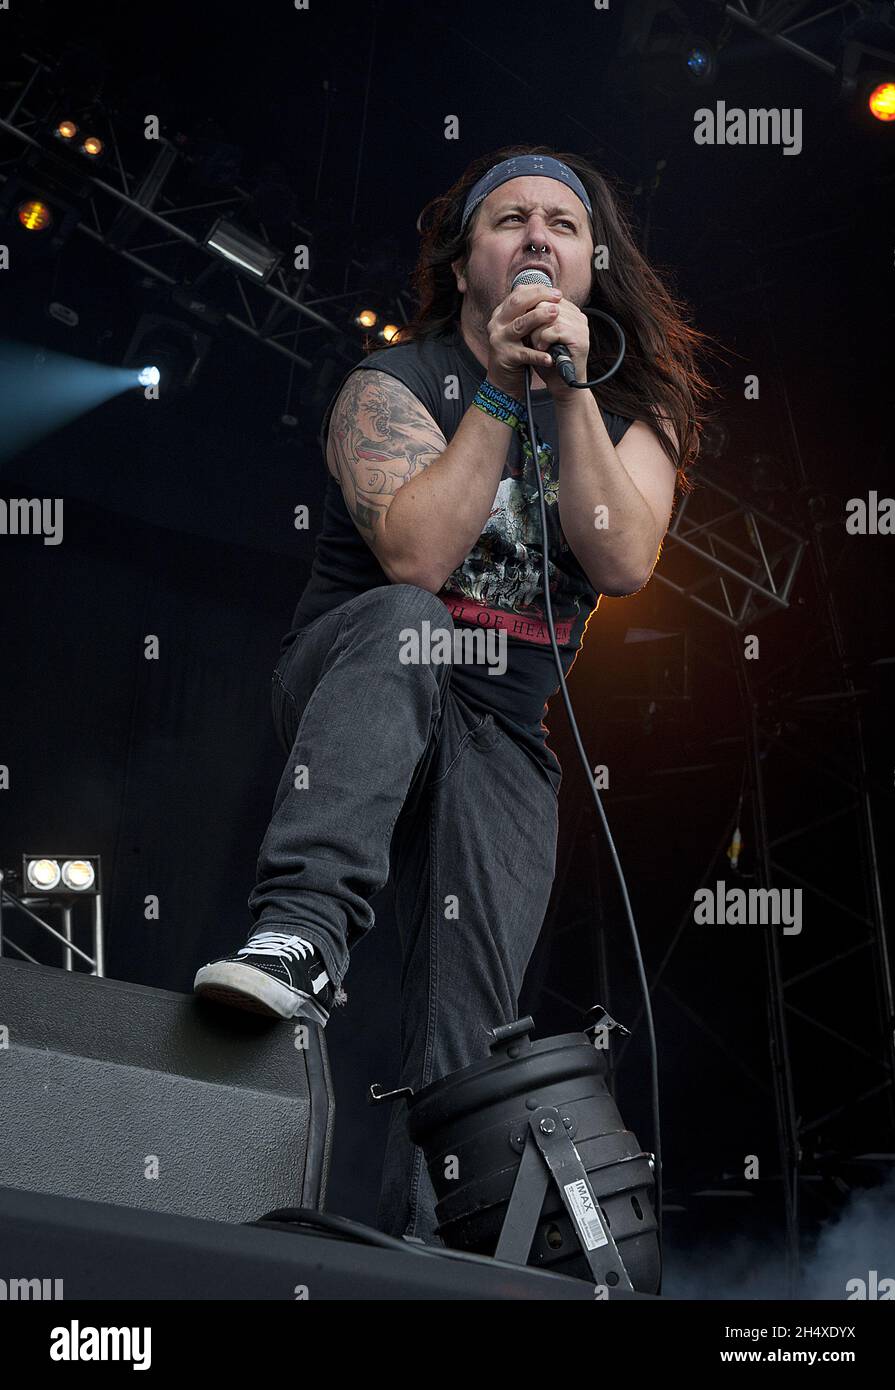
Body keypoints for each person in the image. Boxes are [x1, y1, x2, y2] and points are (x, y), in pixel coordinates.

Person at [194, 144, 710, 1244]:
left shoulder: (636, 417)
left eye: (561, 224)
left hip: (501, 731)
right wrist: (494, 389)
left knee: (468, 1038)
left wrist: (564, 392)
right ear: (465, 259)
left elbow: (618, 561)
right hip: (364, 670)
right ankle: (301, 933)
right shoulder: (391, 384)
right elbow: (417, 559)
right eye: (507, 219)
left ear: (589, 263)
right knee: (415, 621)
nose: (535, 235)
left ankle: (427, 1255)